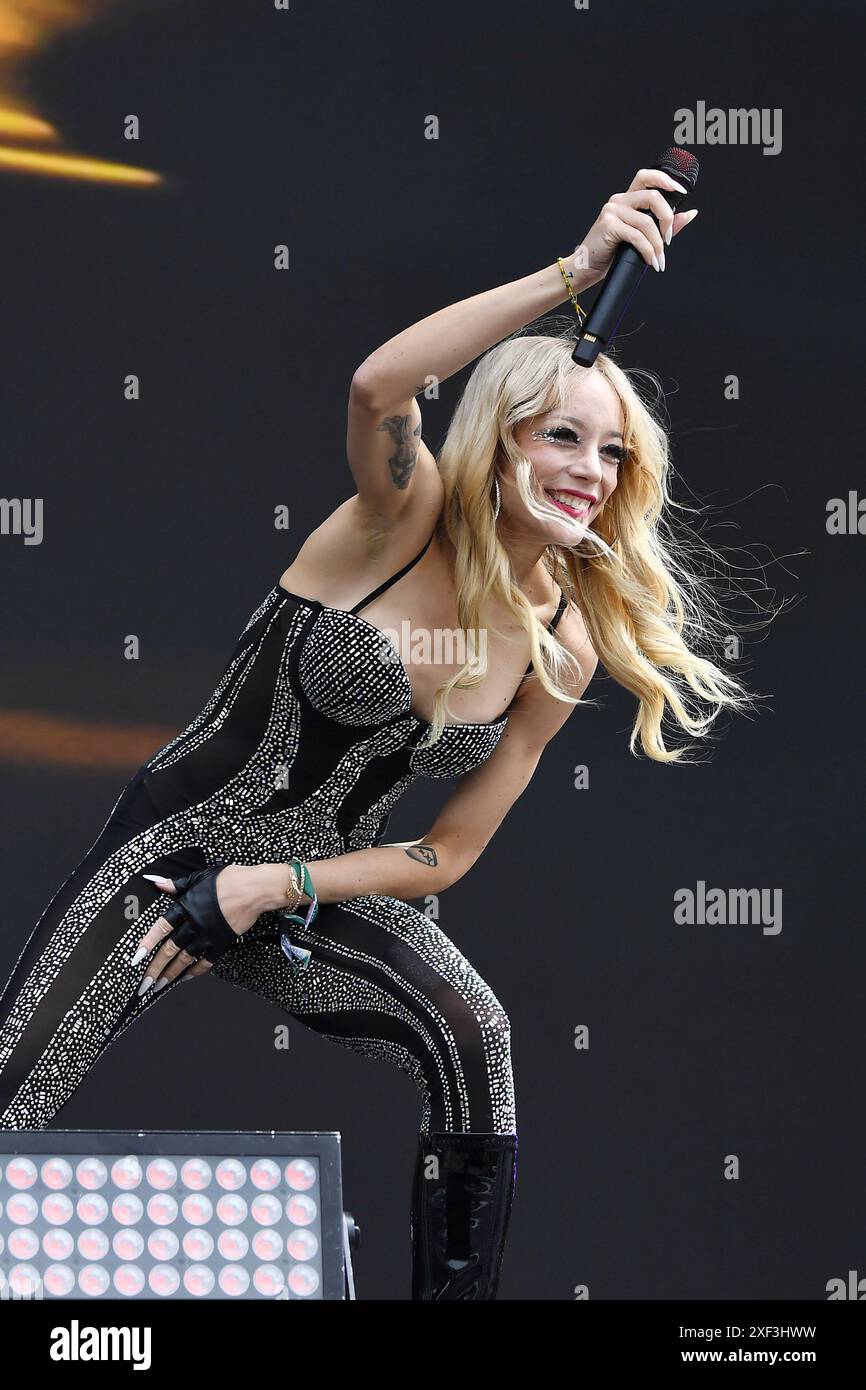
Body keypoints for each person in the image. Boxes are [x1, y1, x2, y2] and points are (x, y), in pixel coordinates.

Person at [0, 167, 751, 1299]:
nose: (589, 474)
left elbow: (443, 855)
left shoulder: (563, 638)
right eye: (562, 437)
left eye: (611, 455)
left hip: (304, 890)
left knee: (472, 1032)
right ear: (498, 442)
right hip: (162, 866)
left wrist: (271, 886)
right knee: (13, 1092)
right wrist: (574, 272)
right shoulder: (394, 520)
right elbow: (377, 382)